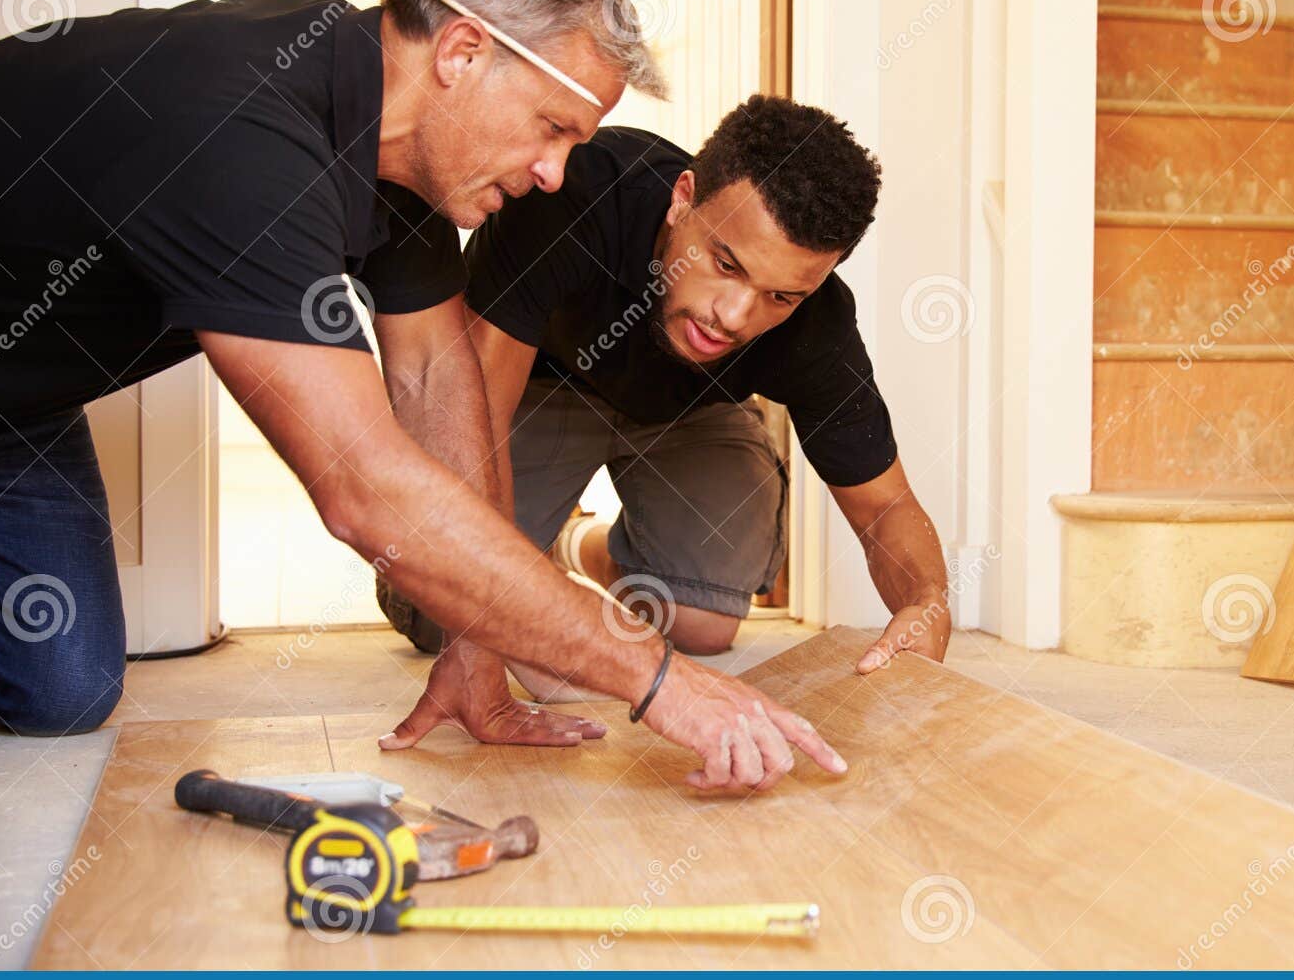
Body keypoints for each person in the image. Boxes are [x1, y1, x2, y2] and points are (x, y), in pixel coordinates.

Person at [0, 0, 843, 794]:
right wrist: (657, 678)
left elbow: (435, 377)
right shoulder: (243, 135)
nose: (555, 173)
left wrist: (480, 646)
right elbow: (367, 489)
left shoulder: (401, 159)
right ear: (465, 51)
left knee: (64, 689)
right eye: (552, 127)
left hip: (18, 405)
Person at [380, 96, 952, 706]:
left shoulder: (817, 325)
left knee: (700, 625)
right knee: (444, 615)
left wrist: (926, 603)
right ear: (683, 198)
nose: (732, 317)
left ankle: (577, 546)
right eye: (725, 264)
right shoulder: (576, 195)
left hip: (691, 411)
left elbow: (885, 506)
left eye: (780, 296)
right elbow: (475, 425)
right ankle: (530, 555)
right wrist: (532, 624)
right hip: (543, 388)